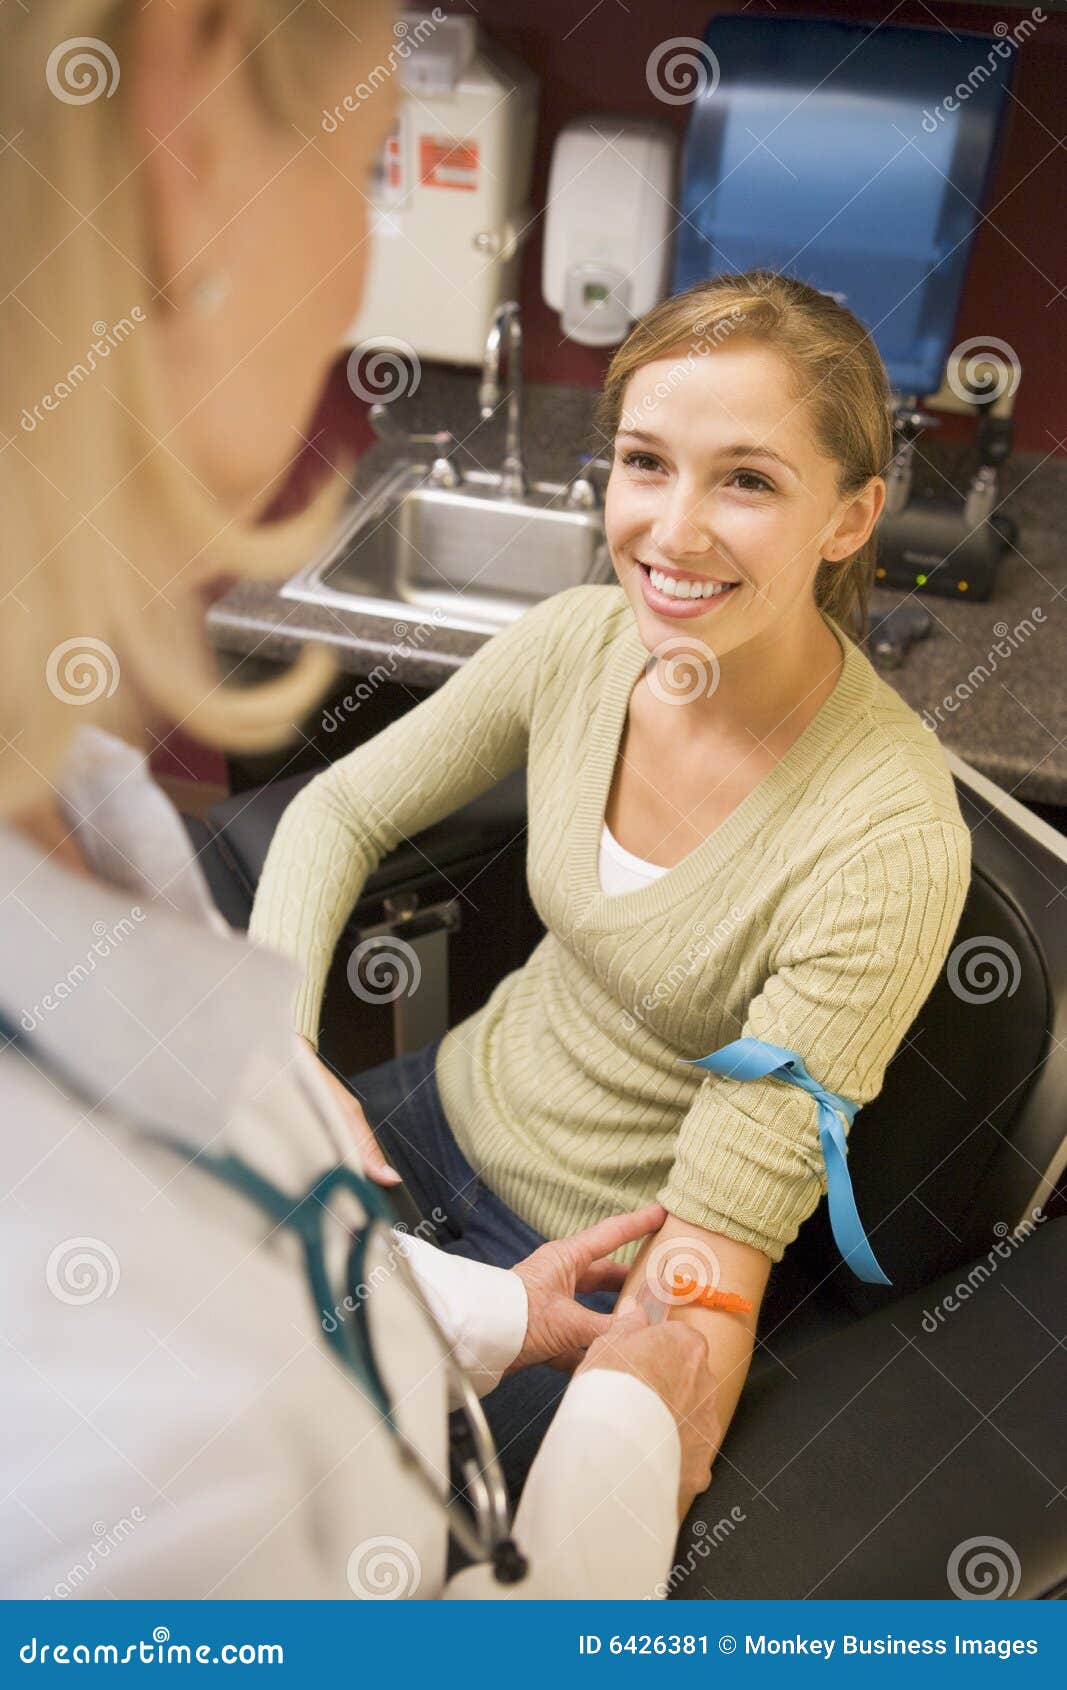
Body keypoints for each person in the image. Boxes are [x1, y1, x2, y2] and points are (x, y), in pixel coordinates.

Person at [0, 0, 722, 1599]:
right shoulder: (122, 1462)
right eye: (377, 153)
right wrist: (618, 1442)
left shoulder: (80, 815)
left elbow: (253, 1250)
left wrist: (484, 1317)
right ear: (186, 134)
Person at [249, 271, 973, 1491]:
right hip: (422, 1117)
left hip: (590, 1255)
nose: (672, 531)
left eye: (746, 478)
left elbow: (718, 1251)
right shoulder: (580, 642)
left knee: (322, 1500)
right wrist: (279, 1051)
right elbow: (340, 806)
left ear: (850, 515)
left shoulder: (883, 841)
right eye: (645, 461)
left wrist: (650, 1423)